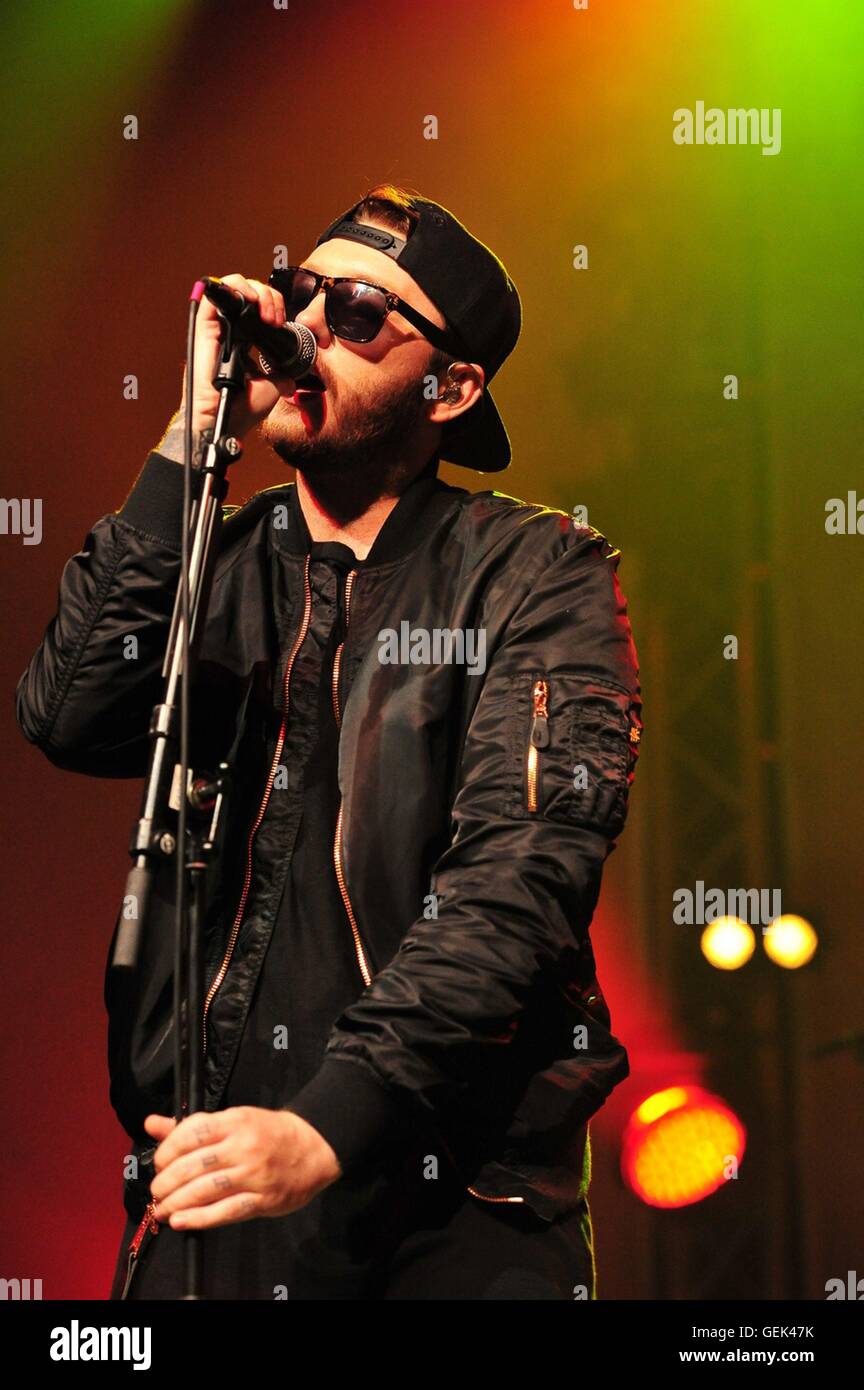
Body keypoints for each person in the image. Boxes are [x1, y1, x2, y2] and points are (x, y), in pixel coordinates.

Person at [16, 184, 643, 1300]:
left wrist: (326, 1125)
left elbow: (518, 884)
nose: (306, 329)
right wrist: (189, 440)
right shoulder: (221, 557)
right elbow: (69, 711)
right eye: (303, 293)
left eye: (355, 313)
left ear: (450, 385)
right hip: (212, 1184)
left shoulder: (535, 574)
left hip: (448, 1213)